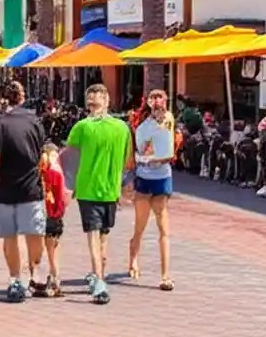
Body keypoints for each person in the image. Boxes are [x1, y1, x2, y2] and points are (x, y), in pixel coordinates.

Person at [0, 81, 46, 303]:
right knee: (34, 234)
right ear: (22, 98)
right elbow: (42, 153)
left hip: (4, 189)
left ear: (3, 99)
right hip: (31, 187)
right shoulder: (35, 122)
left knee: (10, 237)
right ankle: (36, 274)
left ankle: (15, 280)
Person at [65, 84, 133, 305]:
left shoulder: (82, 127)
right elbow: (128, 160)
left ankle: (99, 281)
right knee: (103, 235)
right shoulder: (122, 128)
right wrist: (121, 186)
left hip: (88, 188)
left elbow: (69, 159)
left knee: (93, 236)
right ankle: (99, 273)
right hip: (111, 190)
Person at [129, 89, 176, 291]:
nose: (158, 103)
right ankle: (133, 258)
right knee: (140, 225)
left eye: (160, 99)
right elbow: (141, 153)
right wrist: (148, 157)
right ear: (148, 103)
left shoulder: (168, 119)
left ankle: (165, 275)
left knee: (163, 227)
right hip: (145, 177)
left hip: (163, 177)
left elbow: (167, 132)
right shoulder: (143, 128)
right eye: (153, 99)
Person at [39, 143, 66, 298]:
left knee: (48, 252)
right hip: (55, 215)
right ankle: (54, 279)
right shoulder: (56, 171)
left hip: (45, 213)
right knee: (53, 250)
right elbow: (61, 198)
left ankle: (52, 279)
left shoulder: (44, 172)